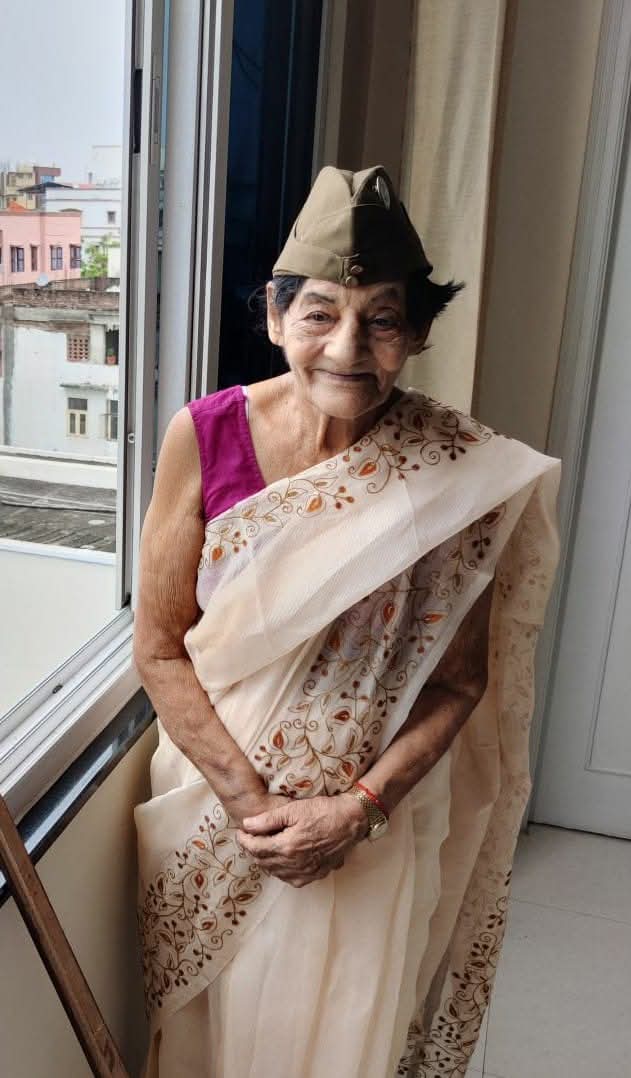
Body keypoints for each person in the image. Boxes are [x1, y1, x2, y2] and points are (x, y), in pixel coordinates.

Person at [133, 165, 560, 1078]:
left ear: (419, 332)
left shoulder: (457, 472)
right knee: (212, 1042)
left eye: (383, 319)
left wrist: (354, 812)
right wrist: (255, 809)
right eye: (320, 314)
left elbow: (459, 681)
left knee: (344, 1044)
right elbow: (159, 649)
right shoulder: (203, 436)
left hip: (373, 819)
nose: (347, 347)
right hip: (219, 808)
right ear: (275, 315)